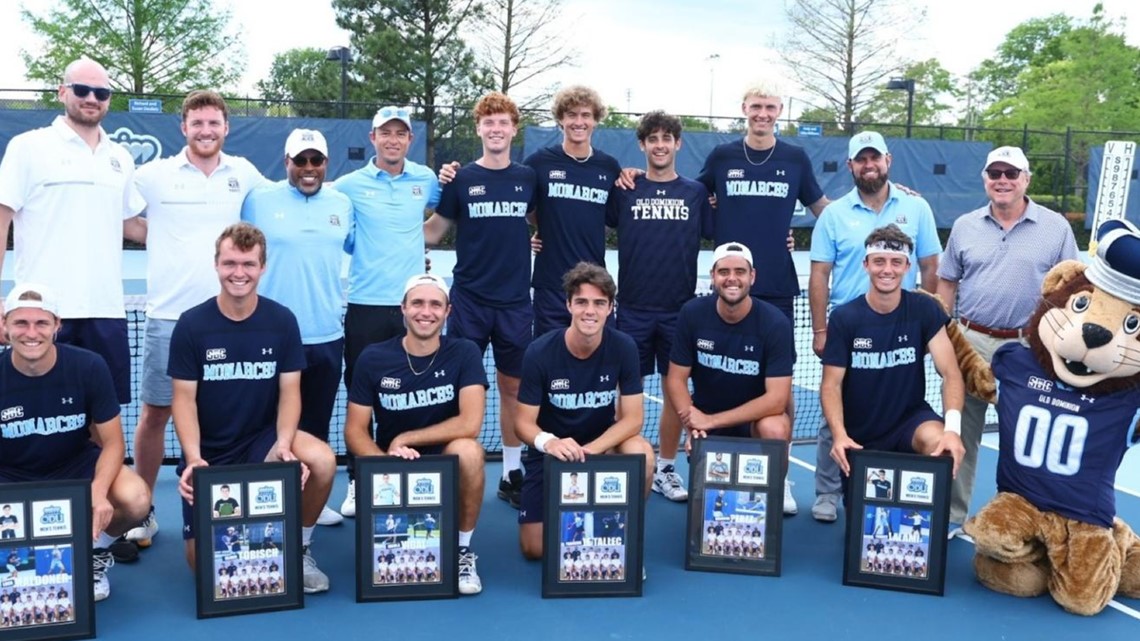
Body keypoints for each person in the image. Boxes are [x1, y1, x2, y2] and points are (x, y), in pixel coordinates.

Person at [128, 90, 266, 547]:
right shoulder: (153, 176)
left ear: (226, 127)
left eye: (213, 123)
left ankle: (236, 503)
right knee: (156, 413)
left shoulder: (245, 173)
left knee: (224, 413)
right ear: (183, 128)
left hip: (232, 320)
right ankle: (142, 508)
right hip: (169, 318)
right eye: (197, 123)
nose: (206, 131)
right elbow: (122, 217)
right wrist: (158, 234)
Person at [169, 222, 336, 593]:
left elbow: (290, 391)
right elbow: (183, 399)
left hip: (262, 441)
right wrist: (194, 458)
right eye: (230, 263)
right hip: (209, 453)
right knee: (205, 571)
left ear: (263, 267)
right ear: (216, 264)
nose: (238, 273)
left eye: (248, 264)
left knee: (323, 460)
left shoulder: (282, 321)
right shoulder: (191, 325)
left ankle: (299, 545)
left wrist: (284, 444)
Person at [697, 83, 831, 515]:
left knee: (781, 380)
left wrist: (884, 201)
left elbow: (825, 209)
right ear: (744, 109)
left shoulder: (794, 158)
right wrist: (635, 178)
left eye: (770, 107)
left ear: (780, 111)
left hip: (775, 285)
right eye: (756, 106)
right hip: (728, 283)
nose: (763, 113)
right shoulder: (722, 157)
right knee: (718, 368)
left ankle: (780, 477)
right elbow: (688, 195)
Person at [935, 145, 1078, 533]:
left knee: (1025, 440)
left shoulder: (1056, 228)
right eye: (995, 173)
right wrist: (943, 336)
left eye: (1011, 174)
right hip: (969, 343)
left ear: (1026, 179)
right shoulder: (965, 226)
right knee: (959, 432)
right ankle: (952, 516)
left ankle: (1020, 525)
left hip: (1028, 349)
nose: (1002, 180)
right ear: (985, 180)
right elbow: (946, 283)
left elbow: (1070, 288)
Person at [808, 131, 941, 522]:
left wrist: (925, 319)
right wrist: (820, 330)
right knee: (834, 407)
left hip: (901, 326)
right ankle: (827, 492)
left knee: (900, 405)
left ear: (888, 161)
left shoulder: (917, 208)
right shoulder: (833, 215)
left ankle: (901, 491)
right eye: (861, 159)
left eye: (875, 158)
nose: (869, 165)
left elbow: (930, 265)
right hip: (847, 327)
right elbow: (819, 274)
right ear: (851, 166)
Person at [0, 58, 146, 404]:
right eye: (82, 89)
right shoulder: (28, 147)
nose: (92, 98)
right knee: (40, 412)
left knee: (104, 417)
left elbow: (130, 224)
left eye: (101, 92)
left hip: (106, 312)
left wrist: (195, 232)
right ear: (62, 92)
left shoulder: (121, 158)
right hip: (42, 312)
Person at [0, 284, 151, 601]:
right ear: (5, 325)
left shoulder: (89, 366)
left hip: (75, 467)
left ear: (57, 325)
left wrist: (98, 491)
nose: (31, 333)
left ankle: (92, 552)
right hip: (11, 476)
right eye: (21, 323)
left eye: (41, 323)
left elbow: (113, 443)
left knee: (136, 498)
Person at [424, 92, 537, 510]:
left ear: (513, 129)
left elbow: (539, 217)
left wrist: (540, 237)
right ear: (478, 128)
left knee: (513, 389)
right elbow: (434, 231)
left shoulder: (528, 178)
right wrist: (390, 231)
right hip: (469, 301)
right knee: (459, 390)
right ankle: (452, 471)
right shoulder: (461, 179)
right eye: (488, 122)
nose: (496, 129)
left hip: (515, 303)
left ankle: (511, 473)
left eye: (503, 122)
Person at [344, 273, 488, 595]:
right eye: (418, 303)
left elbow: (471, 423)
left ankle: (462, 549)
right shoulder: (373, 357)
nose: (426, 312)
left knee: (470, 451)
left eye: (435, 304)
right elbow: (354, 430)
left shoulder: (465, 352)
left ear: (448, 311)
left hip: (445, 462)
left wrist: (407, 438)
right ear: (403, 308)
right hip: (392, 464)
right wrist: (384, 464)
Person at [333, 106, 442, 517]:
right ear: (373, 137)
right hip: (366, 306)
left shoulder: (426, 180)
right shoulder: (347, 185)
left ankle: (417, 475)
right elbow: (340, 231)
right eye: (386, 133)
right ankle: (359, 480)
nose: (393, 140)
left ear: (410, 140)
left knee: (413, 394)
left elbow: (448, 211)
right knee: (362, 398)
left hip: (414, 307)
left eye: (400, 133)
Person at [241, 128, 352, 526]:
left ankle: (310, 501)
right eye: (300, 160)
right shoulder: (257, 200)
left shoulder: (342, 203)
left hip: (327, 336)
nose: (308, 168)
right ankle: (265, 499)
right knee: (266, 426)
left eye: (316, 160)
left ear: (326, 163)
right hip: (270, 337)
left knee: (315, 424)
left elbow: (365, 246)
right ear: (286, 161)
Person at [605, 110, 713, 502]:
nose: (660, 145)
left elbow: (725, 228)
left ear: (678, 144)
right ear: (642, 145)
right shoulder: (625, 189)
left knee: (674, 392)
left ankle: (665, 469)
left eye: (667, 138)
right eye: (653, 138)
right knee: (624, 393)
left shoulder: (695, 193)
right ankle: (623, 464)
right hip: (632, 309)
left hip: (679, 312)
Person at [515, 263, 654, 560]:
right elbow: (523, 424)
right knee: (534, 549)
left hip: (602, 446)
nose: (590, 311)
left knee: (642, 453)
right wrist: (550, 443)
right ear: (569, 305)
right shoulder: (539, 352)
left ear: (610, 308)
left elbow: (633, 419)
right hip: (552, 453)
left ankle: (626, 531)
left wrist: (591, 450)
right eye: (581, 302)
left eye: (599, 303)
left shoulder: (624, 347)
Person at [820, 225, 966, 495]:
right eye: (879, 261)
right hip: (861, 432)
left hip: (910, 421)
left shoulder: (925, 310)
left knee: (940, 445)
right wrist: (839, 435)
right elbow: (831, 385)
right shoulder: (845, 318)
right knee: (863, 514)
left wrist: (953, 430)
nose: (887, 270)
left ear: (907, 267)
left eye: (896, 262)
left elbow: (950, 373)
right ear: (866, 264)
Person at [664, 242, 795, 495]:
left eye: (740, 272)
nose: (732, 278)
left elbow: (778, 399)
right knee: (714, 500)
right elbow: (676, 379)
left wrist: (710, 421)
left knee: (776, 428)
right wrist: (693, 426)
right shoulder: (692, 314)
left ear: (752, 277)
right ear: (713, 276)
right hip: (707, 424)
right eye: (724, 272)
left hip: (754, 422)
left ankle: (777, 488)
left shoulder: (776, 323)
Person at [525, 86, 622, 337]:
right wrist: (540, 228)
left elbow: (611, 217)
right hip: (550, 285)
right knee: (549, 353)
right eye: (571, 115)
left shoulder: (609, 167)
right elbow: (523, 206)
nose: (579, 122)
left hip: (595, 285)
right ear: (561, 119)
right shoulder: (538, 163)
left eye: (586, 115)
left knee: (600, 354)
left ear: (595, 120)